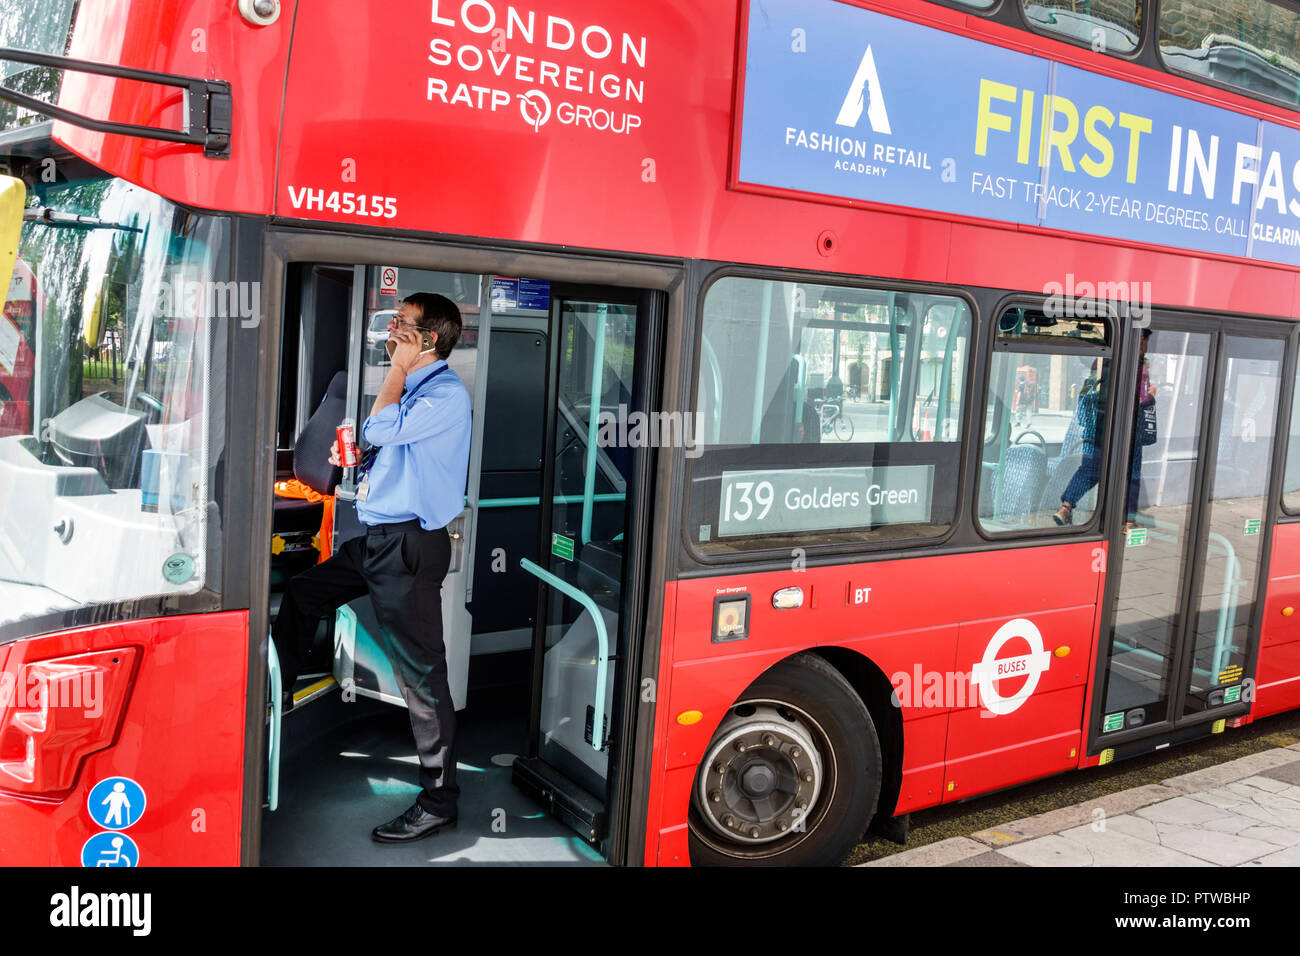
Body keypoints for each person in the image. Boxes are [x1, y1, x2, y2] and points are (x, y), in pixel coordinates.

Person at [271, 292, 472, 843]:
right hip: (378, 541)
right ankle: (276, 701)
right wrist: (356, 462)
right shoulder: (418, 392)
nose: (389, 333)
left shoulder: (446, 394)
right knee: (305, 594)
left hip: (409, 549)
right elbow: (386, 446)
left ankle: (440, 800)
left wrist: (396, 376)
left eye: (401, 327)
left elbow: (382, 429)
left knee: (422, 679)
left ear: (427, 340)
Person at [1052, 361, 1103, 526]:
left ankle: (1066, 507)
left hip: (1089, 440)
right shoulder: (1105, 389)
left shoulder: (1088, 388)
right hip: (1103, 441)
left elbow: (1082, 418)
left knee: (1087, 472)